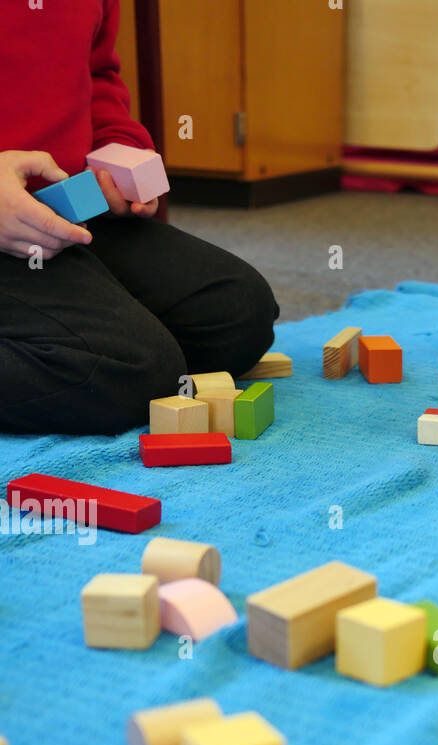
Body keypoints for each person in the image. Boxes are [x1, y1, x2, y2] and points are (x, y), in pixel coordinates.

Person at [0, 0, 277, 436]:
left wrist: (119, 145)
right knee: (136, 367)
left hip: (70, 211)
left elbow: (96, 73)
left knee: (238, 313)